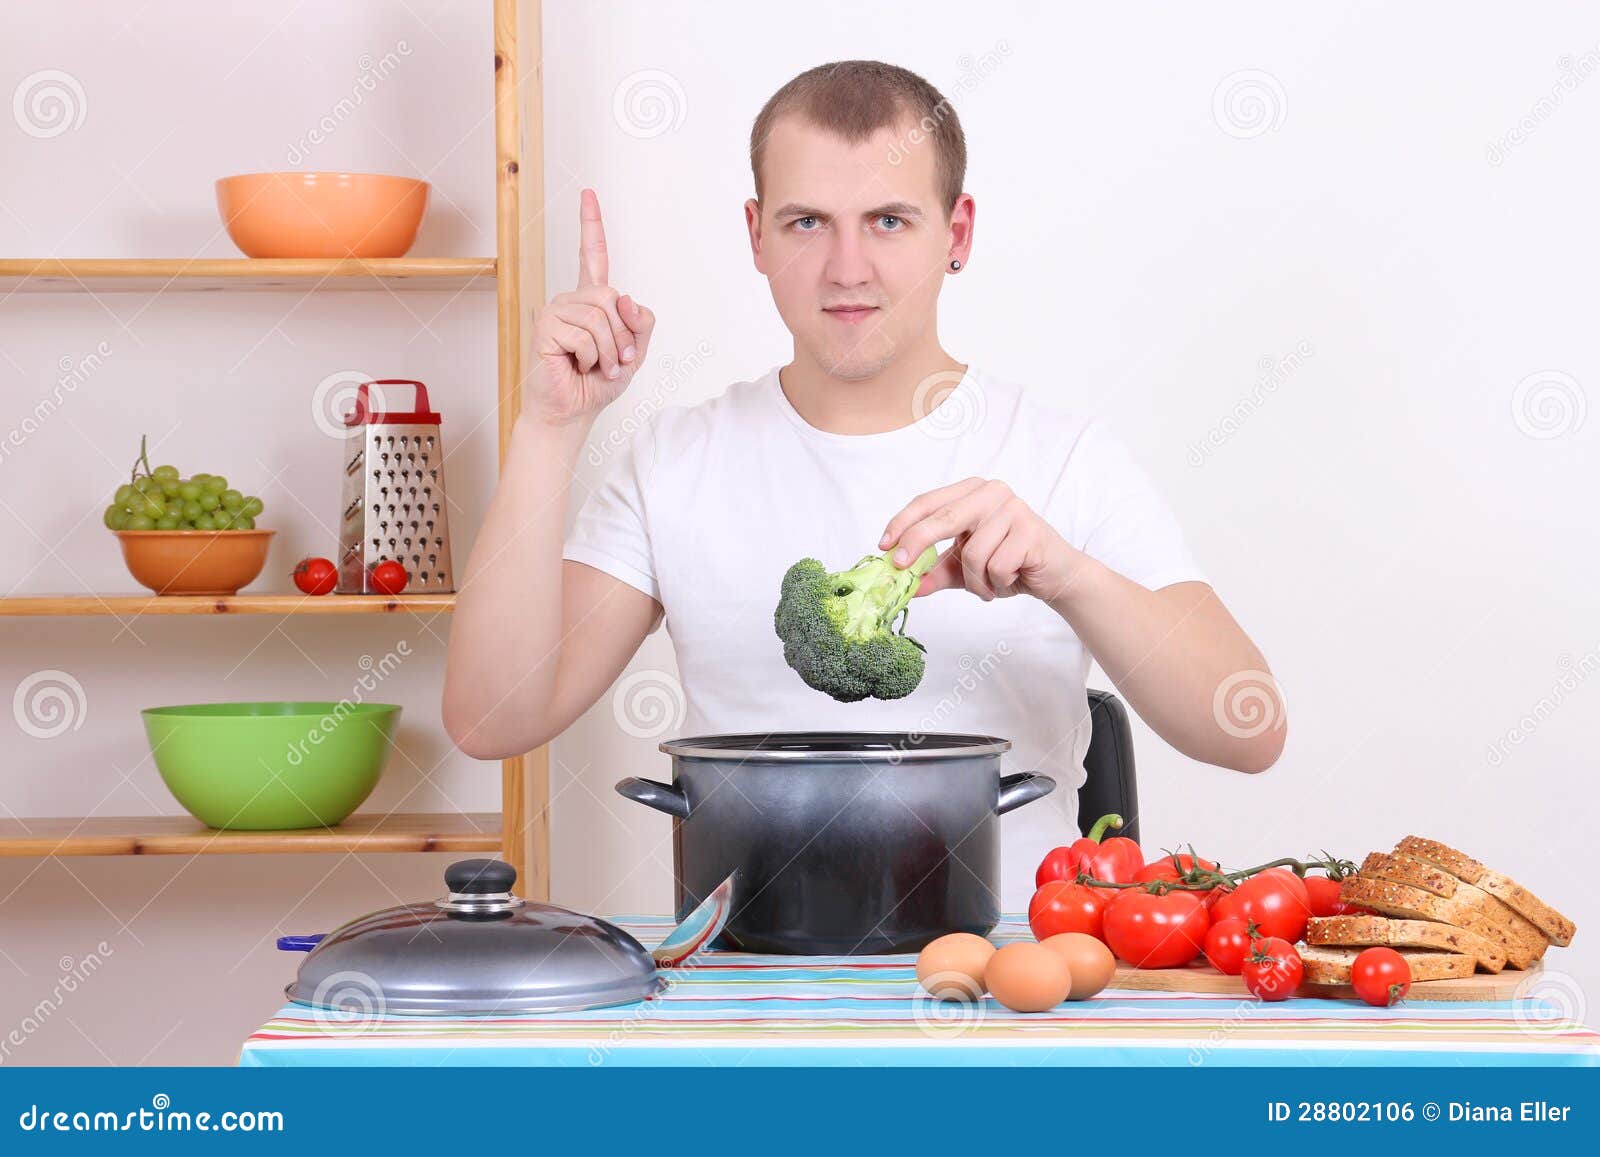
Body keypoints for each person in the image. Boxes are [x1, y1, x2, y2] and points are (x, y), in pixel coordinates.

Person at [442, 60, 1285, 911]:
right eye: (808, 221)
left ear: (956, 234)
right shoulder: (673, 461)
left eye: (889, 220)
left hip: (1018, 974)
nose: (848, 267)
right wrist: (550, 428)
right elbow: (491, 719)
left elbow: (1248, 729)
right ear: (756, 235)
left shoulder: (1064, 457)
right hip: (746, 971)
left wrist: (1070, 576)